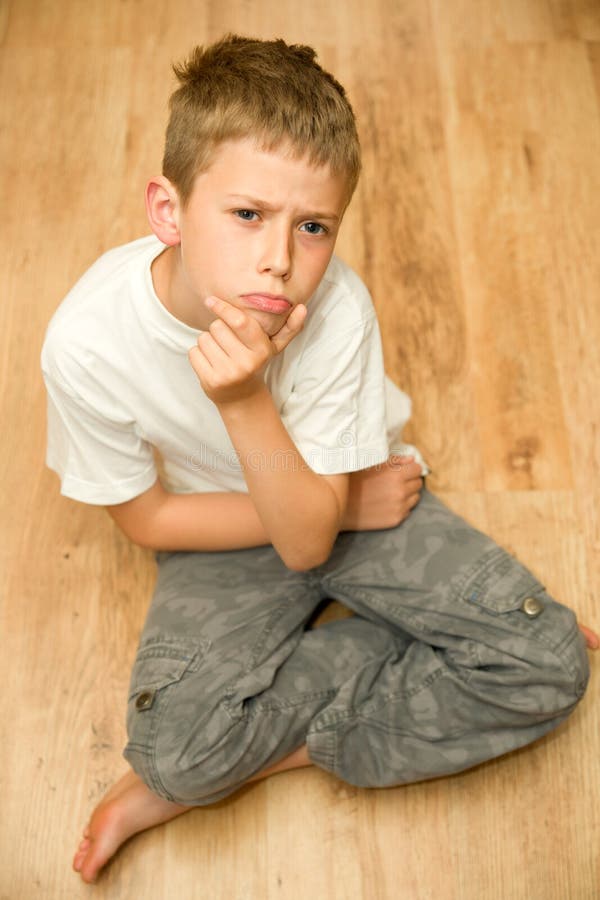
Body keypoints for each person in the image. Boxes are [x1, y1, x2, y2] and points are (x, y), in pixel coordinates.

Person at [40, 35, 596, 885]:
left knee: (549, 667)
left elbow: (312, 532)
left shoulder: (334, 306)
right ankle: (413, 648)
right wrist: (258, 418)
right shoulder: (86, 342)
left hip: (352, 492)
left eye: (313, 227)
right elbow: (157, 519)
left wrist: (332, 500)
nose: (280, 259)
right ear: (168, 211)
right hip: (236, 527)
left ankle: (270, 751)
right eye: (247, 215)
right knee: (180, 753)